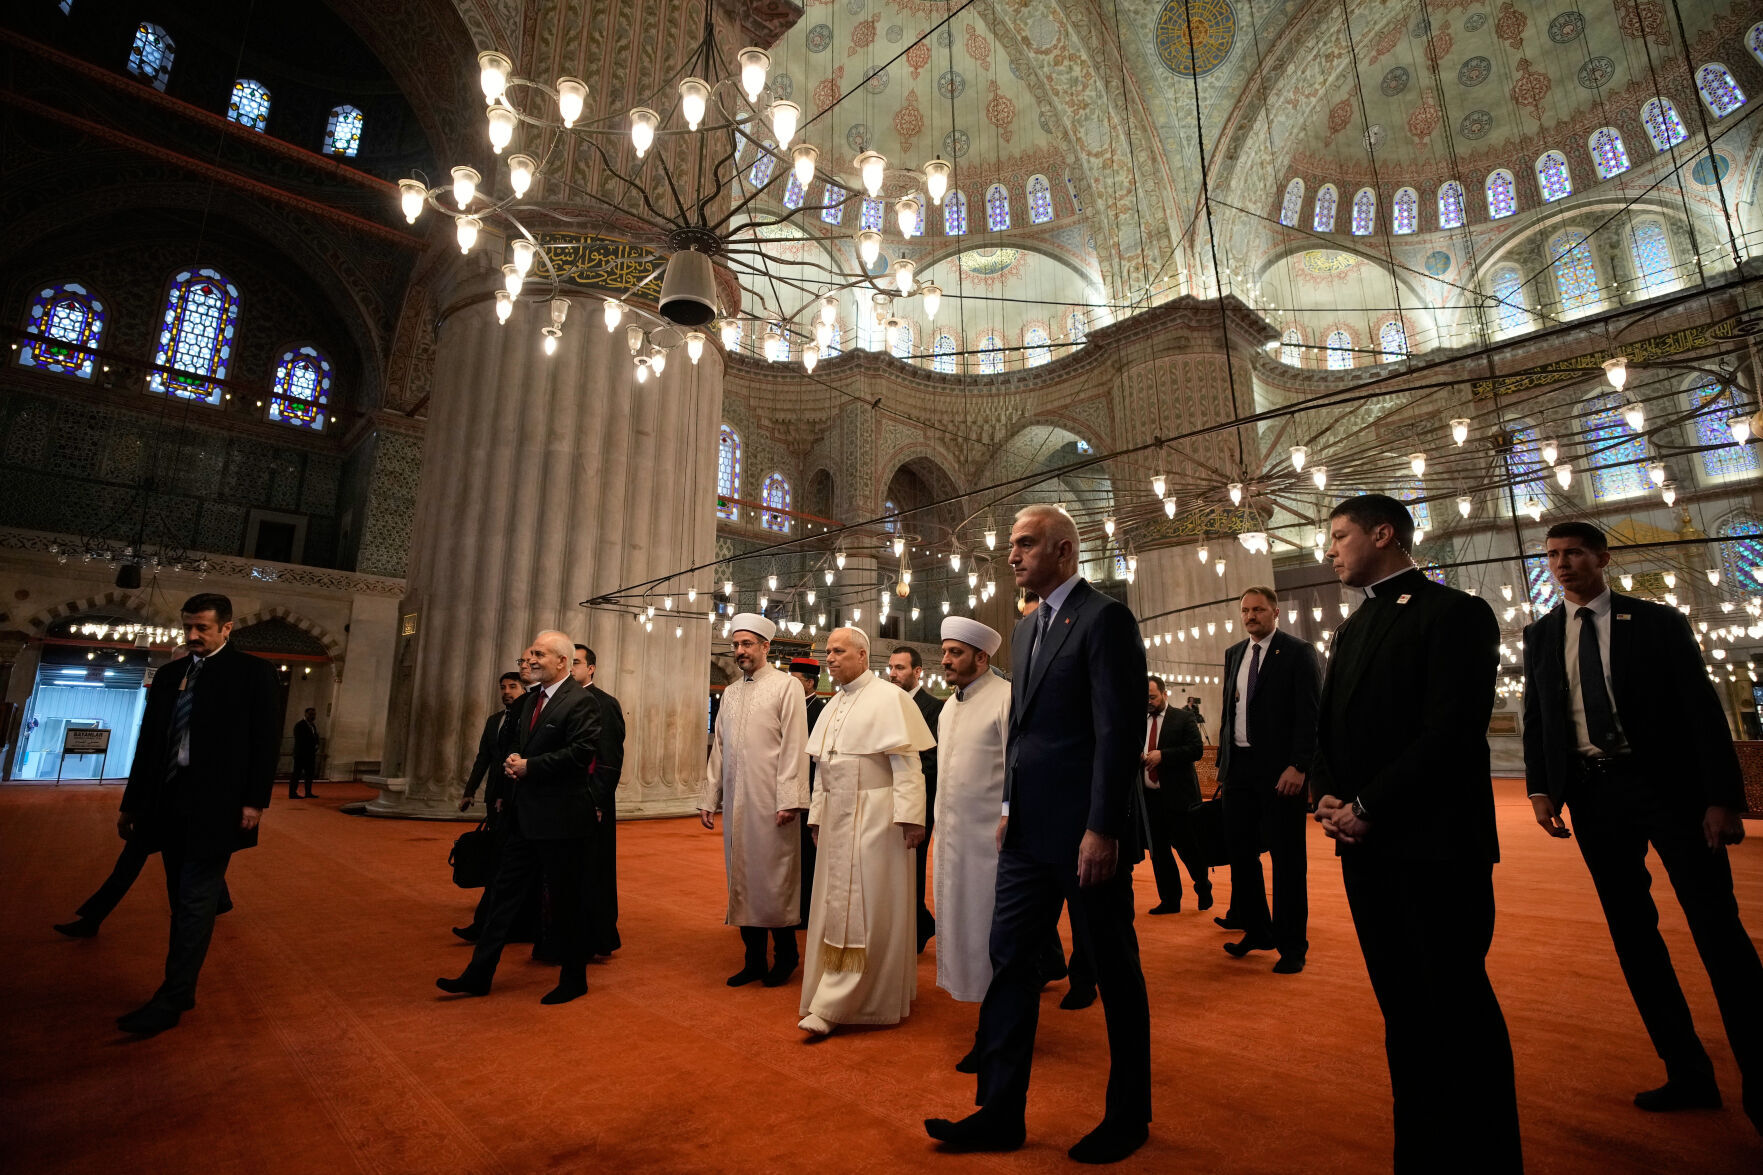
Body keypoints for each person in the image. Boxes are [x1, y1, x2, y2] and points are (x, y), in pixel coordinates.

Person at [926, 504, 1152, 1164]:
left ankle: (1128, 1116)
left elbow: (1117, 733)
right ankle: (999, 1112)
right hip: (1025, 835)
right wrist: (1007, 806)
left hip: (1086, 836)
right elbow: (1021, 735)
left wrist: (1102, 827)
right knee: (1010, 965)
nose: (1012, 555)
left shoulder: (1105, 618)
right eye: (1011, 544)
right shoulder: (1025, 628)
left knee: (1114, 971)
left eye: (1025, 543)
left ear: (1063, 550)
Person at [1523, 521, 1760, 1134]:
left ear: (1602, 558)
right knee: (1633, 933)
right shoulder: (1541, 634)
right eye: (1553, 555)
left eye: (1575, 553)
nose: (1562, 564)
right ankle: (1687, 1071)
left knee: (1718, 930)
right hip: (1594, 796)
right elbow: (1539, 718)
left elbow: (1701, 711)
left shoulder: (1656, 622)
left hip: (1671, 792)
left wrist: (1722, 799)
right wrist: (1542, 788)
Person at [1310, 494, 1520, 1172]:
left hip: (1434, 848)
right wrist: (1326, 794)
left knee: (1454, 1006)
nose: (1329, 550)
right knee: (1402, 1010)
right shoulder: (1353, 626)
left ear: (1383, 534)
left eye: (1339, 535)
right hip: (1366, 847)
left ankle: (1486, 1157)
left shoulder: (1454, 612)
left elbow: (1450, 732)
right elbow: (1329, 727)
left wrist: (1368, 803)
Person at [113, 592, 278, 1035]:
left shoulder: (252, 674)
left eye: (202, 627)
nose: (192, 635)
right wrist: (132, 803)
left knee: (193, 900)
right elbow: (149, 744)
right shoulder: (171, 675)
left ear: (226, 628)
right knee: (180, 897)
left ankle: (173, 997)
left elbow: (264, 742)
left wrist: (254, 802)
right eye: (187, 626)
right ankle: (179, 989)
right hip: (166, 802)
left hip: (217, 806)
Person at [437, 630, 603, 1005]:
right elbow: (515, 744)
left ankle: (574, 979)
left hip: (562, 821)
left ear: (561, 661)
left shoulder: (581, 702)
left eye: (538, 655)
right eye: (529, 655)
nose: (529, 660)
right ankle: (478, 975)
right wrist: (513, 760)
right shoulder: (529, 701)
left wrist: (531, 766)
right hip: (522, 819)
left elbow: (580, 754)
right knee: (502, 899)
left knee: (565, 903)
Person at [800, 625, 932, 1036]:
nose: (829, 658)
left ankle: (854, 1001)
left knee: (869, 909)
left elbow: (908, 765)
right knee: (832, 907)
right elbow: (822, 771)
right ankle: (829, 991)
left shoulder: (889, 698)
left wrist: (912, 818)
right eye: (828, 651)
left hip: (877, 819)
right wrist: (816, 817)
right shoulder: (832, 705)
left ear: (862, 655)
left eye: (838, 651)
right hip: (836, 819)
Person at [699, 615, 811, 987]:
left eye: (747, 644)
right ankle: (753, 961)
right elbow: (719, 749)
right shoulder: (731, 692)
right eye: (736, 645)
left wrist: (790, 799)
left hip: (772, 803)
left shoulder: (786, 687)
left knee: (773, 880)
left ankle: (786, 956)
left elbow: (795, 745)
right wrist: (710, 797)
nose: (740, 651)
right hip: (736, 804)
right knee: (742, 879)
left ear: (765, 646)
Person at [1216, 585, 1320, 973]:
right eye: (1245, 610)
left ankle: (1293, 946)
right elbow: (1229, 714)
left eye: (1258, 610)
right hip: (1239, 771)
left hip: (1281, 772)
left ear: (1275, 613)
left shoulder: (1297, 652)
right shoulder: (1234, 654)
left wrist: (1300, 765)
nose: (1250, 616)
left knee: (1287, 859)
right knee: (1241, 855)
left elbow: (1310, 714)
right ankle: (1258, 930)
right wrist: (1224, 767)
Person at [930, 617, 1010, 1068]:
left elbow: (1017, 767)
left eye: (955, 653)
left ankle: (998, 1034)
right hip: (954, 842)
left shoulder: (1005, 698)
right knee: (965, 930)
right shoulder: (949, 708)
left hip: (990, 847)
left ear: (981, 657)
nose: (945, 660)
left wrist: (1009, 814)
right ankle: (992, 1023)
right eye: (944, 651)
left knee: (990, 936)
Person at [453, 670, 528, 942]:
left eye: (513, 686)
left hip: (512, 797)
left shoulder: (526, 720)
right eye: (503, 687)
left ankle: (491, 917)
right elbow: (483, 757)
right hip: (494, 796)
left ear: (523, 690)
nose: (507, 692)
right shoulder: (494, 720)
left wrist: (507, 795)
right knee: (498, 856)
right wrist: (469, 791)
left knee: (504, 860)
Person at [54, 838, 233, 939]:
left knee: (130, 865)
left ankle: (91, 920)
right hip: (164, 808)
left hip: (164, 808)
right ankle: (219, 902)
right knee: (180, 857)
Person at [1138, 675, 1209, 916]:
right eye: (1145, 697)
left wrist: (1163, 755)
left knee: (1188, 848)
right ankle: (1169, 900)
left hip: (1179, 798)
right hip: (1150, 799)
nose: (1148, 701)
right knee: (1159, 853)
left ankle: (1202, 884)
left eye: (1152, 697)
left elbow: (1196, 750)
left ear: (1164, 694)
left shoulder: (1183, 718)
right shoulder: (1137, 721)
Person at [888, 644, 941, 953]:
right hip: (888, 799)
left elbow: (930, 762)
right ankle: (916, 924)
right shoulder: (887, 704)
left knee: (914, 866)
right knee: (895, 868)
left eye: (900, 668)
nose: (893, 673)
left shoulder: (933, 707)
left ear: (917, 671)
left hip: (920, 800)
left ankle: (917, 928)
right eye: (891, 668)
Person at [573, 644, 625, 958]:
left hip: (593, 801)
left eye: (576, 663)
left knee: (594, 873)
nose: (570, 668)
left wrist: (596, 801)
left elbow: (610, 759)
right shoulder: (560, 701)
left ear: (591, 668)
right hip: (564, 801)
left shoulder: (605, 703)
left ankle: (597, 937)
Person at [788, 656, 826, 927]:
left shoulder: (820, 711)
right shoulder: (790, 708)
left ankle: (806, 910)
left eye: (795, 681)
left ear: (810, 683)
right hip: (788, 790)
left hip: (812, 791)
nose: (789, 686)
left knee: (807, 856)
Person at [289, 707, 319, 799]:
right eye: (311, 714)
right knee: (296, 774)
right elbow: (300, 740)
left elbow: (315, 737)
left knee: (309, 774)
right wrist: (310, 746)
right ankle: (292, 793)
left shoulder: (313, 726)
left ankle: (308, 793)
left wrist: (317, 745)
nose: (313, 716)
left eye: (314, 714)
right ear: (305, 714)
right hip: (301, 754)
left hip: (310, 755)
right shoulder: (299, 725)